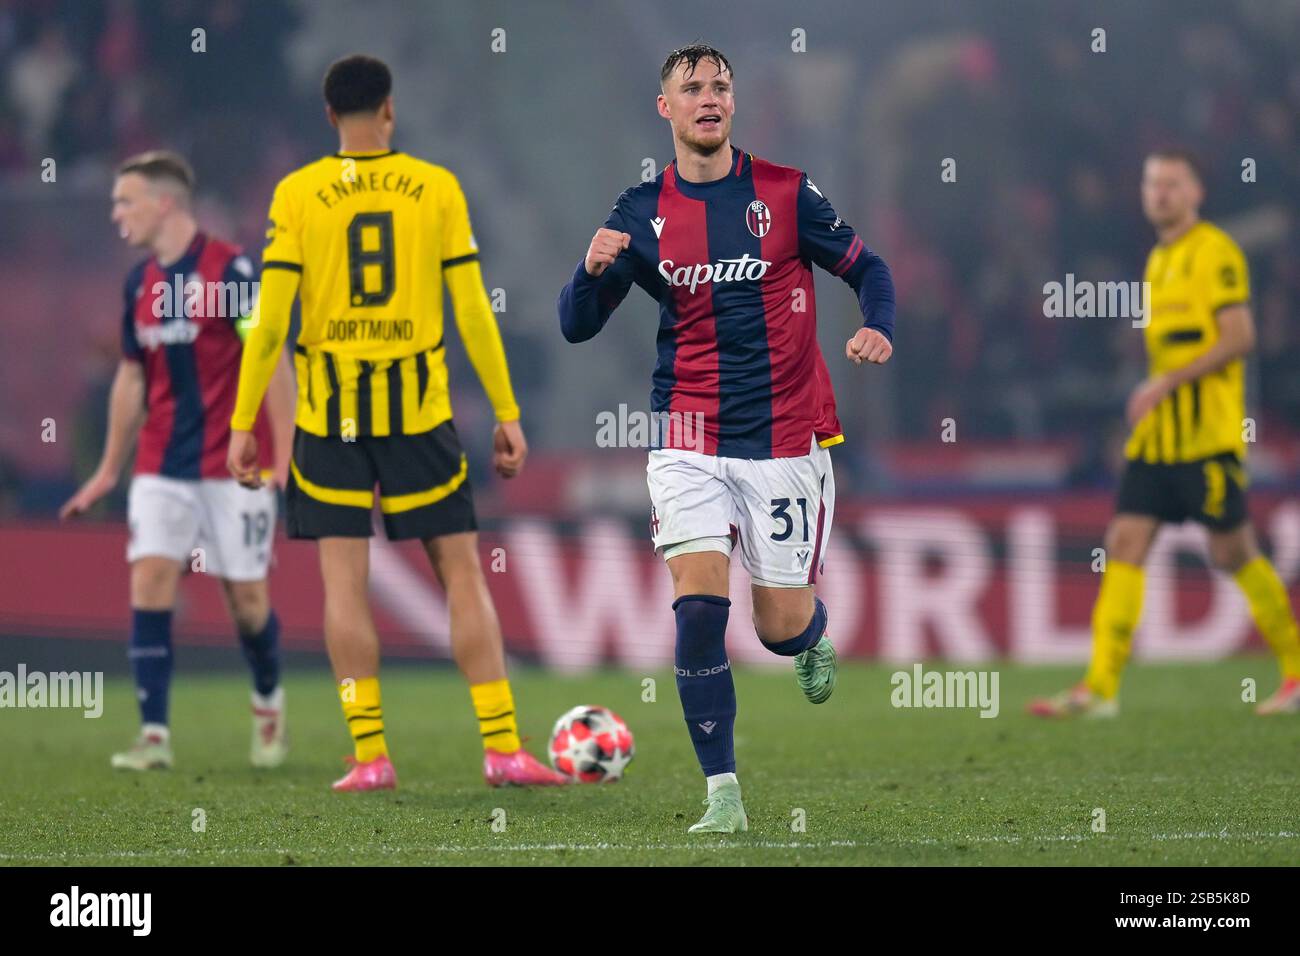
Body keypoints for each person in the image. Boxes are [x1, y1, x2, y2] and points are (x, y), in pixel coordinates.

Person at [557, 44, 896, 831]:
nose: (709, 98)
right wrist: (588, 269)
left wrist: (878, 326)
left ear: (731, 104)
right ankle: (724, 797)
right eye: (691, 88)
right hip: (686, 434)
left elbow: (867, 266)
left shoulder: (784, 192)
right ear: (666, 109)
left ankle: (810, 632)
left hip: (784, 439)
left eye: (720, 86)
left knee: (775, 629)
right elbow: (576, 326)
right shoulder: (638, 211)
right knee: (699, 607)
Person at [228, 55, 566, 791]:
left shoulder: (299, 193)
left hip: (328, 419)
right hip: (420, 416)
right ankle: (505, 748)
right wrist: (506, 411)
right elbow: (474, 309)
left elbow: (271, 321)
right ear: (389, 111)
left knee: (343, 586)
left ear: (329, 118)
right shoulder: (436, 188)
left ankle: (371, 756)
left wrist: (241, 423)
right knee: (461, 572)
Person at [1029, 150, 1300, 718]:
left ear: (1196, 191)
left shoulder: (1216, 252)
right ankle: (1099, 688)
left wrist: (1168, 379)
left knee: (1233, 551)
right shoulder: (1158, 261)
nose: (1161, 193)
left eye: (1173, 183)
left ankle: (1296, 673)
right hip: (1157, 444)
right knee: (1125, 544)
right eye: (1153, 184)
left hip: (1208, 440)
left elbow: (1240, 336)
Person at [61, 150, 296, 770]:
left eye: (125, 201)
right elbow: (131, 380)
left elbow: (271, 360)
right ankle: (155, 736)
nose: (116, 214)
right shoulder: (139, 283)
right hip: (161, 465)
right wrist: (110, 469)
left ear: (164, 204)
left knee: (246, 602)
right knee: (150, 582)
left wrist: (283, 459)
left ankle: (269, 704)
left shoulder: (232, 271)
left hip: (233, 467)